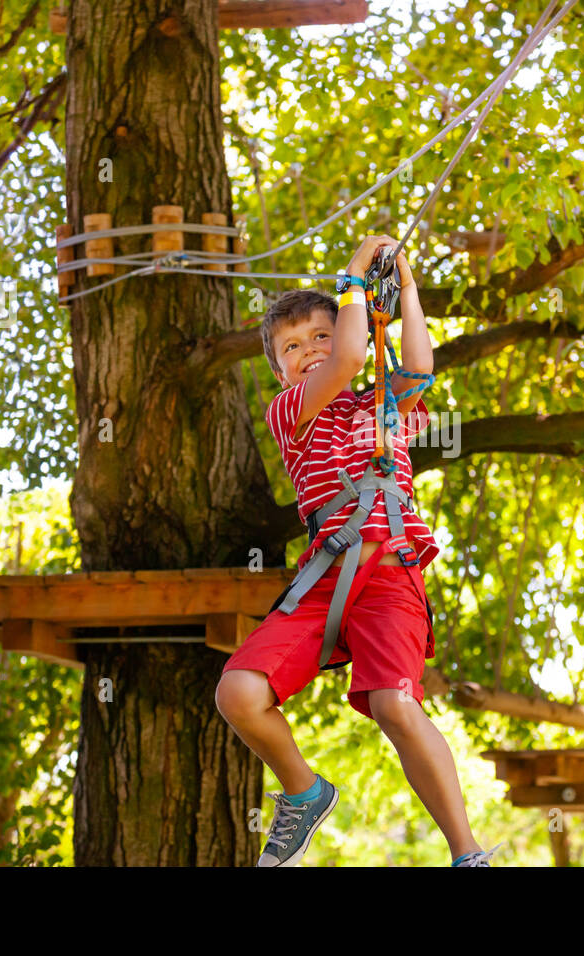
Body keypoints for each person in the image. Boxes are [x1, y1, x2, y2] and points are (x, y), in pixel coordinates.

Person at [215, 235, 497, 867]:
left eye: (319, 337)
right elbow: (345, 357)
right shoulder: (292, 412)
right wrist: (351, 282)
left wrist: (408, 289)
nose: (310, 352)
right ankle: (305, 792)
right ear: (280, 372)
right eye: (292, 348)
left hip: (391, 575)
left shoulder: (383, 404)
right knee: (237, 692)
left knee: (396, 703)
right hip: (327, 575)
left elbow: (420, 367)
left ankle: (467, 852)